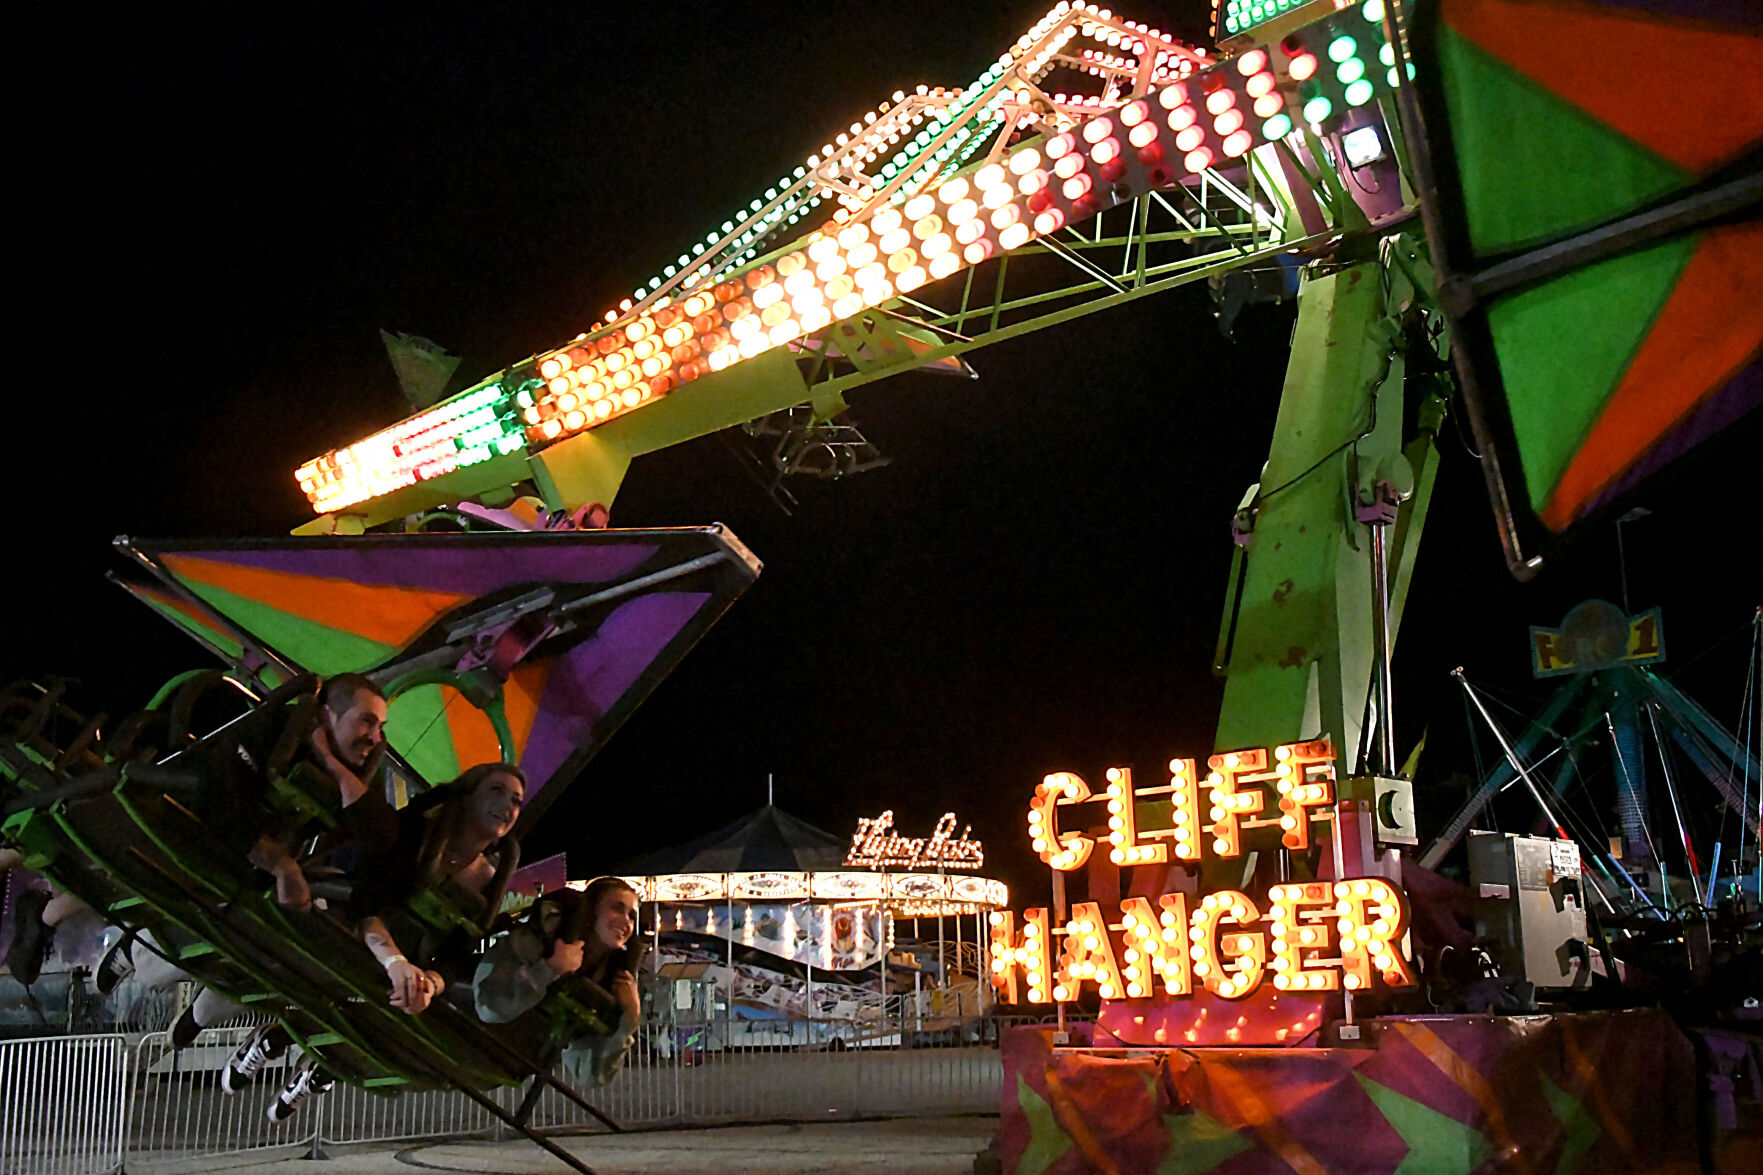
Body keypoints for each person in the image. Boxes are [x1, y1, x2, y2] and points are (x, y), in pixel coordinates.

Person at [225, 762, 524, 1123]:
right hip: (355, 925)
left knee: (404, 1012)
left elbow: (457, 951)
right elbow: (367, 901)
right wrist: (394, 961)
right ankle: (275, 1039)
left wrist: (431, 982)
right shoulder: (418, 833)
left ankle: (321, 1067)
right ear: (467, 795)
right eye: (496, 790)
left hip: (408, 959)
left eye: (516, 799)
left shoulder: (489, 881)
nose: (507, 804)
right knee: (349, 973)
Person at [472, 876, 643, 1085]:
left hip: (503, 1071)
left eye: (632, 916)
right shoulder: (537, 941)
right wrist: (549, 969)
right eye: (617, 908)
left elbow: (590, 1075)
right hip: (457, 1039)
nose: (626, 921)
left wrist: (629, 1021)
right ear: (591, 911)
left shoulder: (606, 981)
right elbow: (489, 1007)